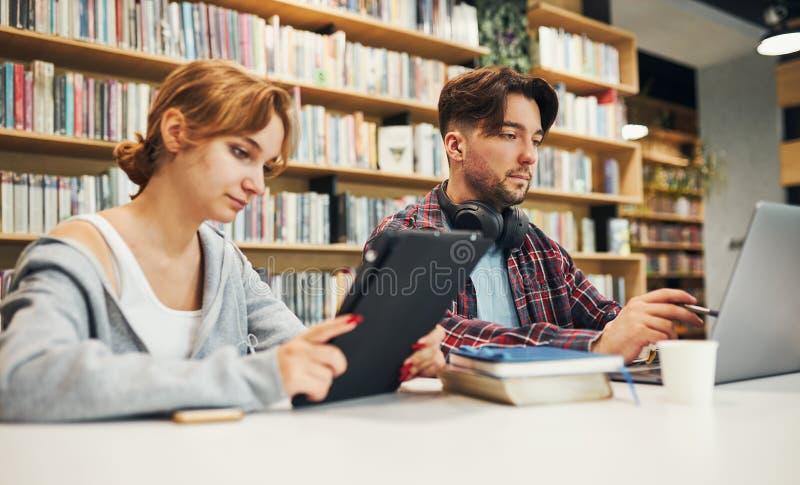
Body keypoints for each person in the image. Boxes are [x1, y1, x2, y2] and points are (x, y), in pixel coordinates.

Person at [0, 60, 443, 422]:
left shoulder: (226, 260)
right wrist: (254, 378)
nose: (257, 185)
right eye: (240, 153)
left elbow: (298, 355)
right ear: (176, 132)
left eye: (265, 166)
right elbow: (21, 379)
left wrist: (391, 353)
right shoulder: (76, 254)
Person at [366, 66, 704, 364]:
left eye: (536, 140)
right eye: (510, 135)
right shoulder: (402, 237)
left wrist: (639, 322)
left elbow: (601, 317)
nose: (530, 156)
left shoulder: (541, 248)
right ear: (456, 146)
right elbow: (436, 336)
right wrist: (596, 345)